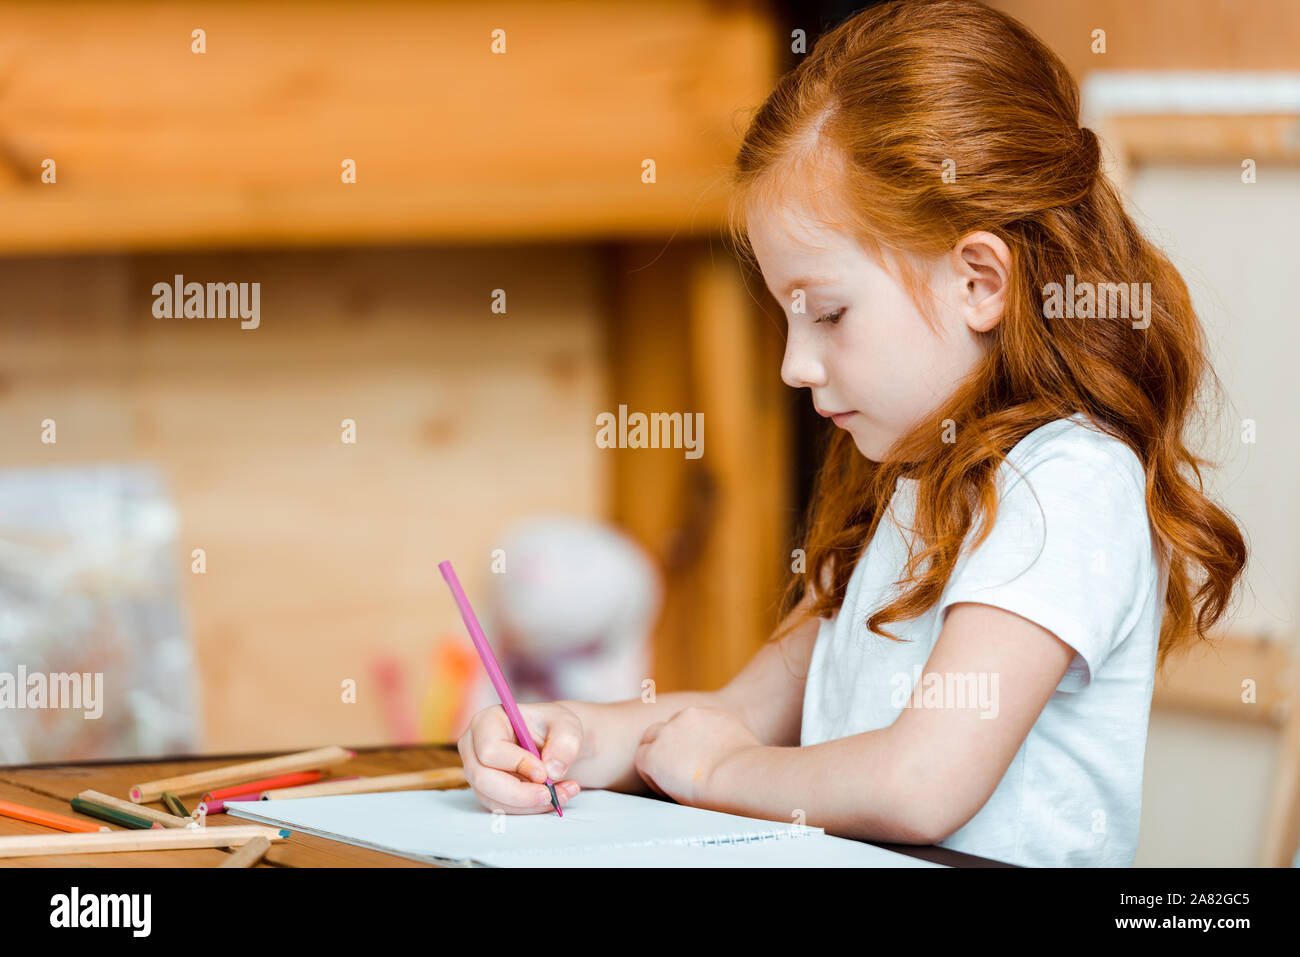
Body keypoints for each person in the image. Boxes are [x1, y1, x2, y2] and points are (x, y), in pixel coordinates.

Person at [457, 0, 1246, 867]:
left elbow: (920, 784)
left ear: (979, 279)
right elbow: (737, 715)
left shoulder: (1066, 483)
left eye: (828, 313)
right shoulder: (901, 478)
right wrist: (566, 734)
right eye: (788, 320)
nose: (796, 366)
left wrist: (724, 770)